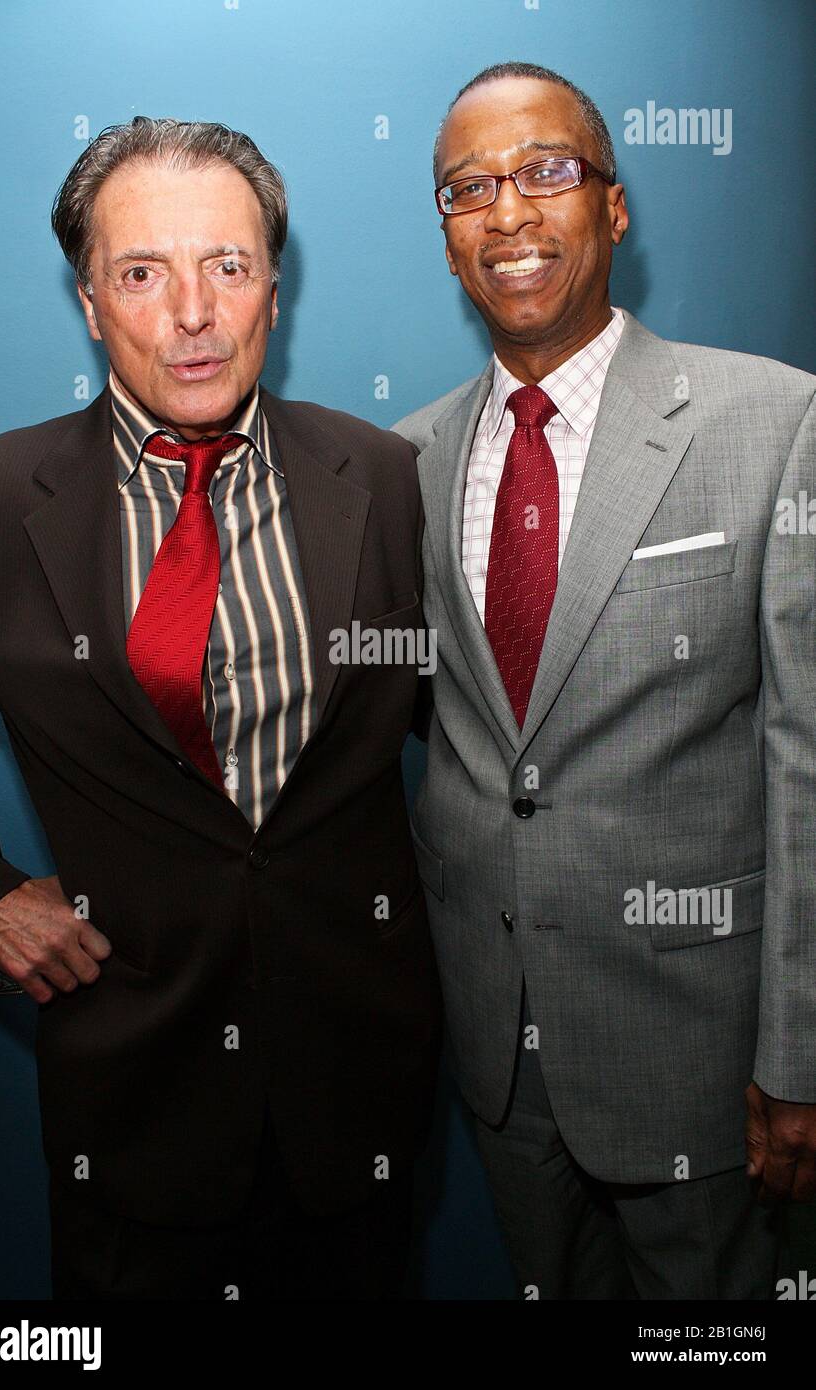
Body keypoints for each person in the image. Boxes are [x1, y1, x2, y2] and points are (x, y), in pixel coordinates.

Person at [0, 117, 442, 1300]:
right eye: (141, 273)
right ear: (88, 304)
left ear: (275, 285)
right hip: (129, 1102)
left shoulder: (382, 475)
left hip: (359, 1090)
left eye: (227, 265)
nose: (192, 312)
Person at [393, 62, 816, 1299]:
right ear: (446, 232)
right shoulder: (407, 458)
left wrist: (798, 1051)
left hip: (703, 1051)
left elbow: (803, 758)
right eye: (468, 188)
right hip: (498, 1049)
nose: (508, 213)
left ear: (613, 209)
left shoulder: (772, 419)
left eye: (546, 172)